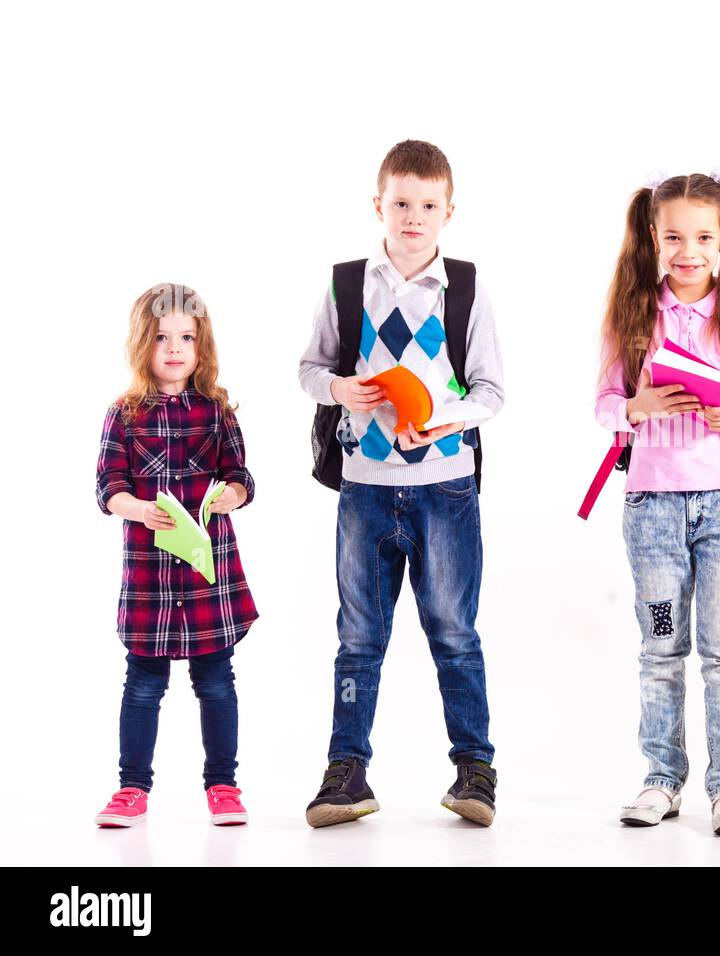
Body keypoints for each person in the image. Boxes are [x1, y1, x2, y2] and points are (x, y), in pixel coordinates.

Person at [298, 140, 505, 828]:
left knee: (453, 629)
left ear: (449, 210)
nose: (413, 217)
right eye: (400, 203)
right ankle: (345, 772)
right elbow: (310, 368)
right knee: (358, 635)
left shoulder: (465, 287)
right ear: (377, 205)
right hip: (364, 486)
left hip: (447, 486)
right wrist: (339, 389)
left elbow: (491, 391)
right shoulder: (348, 283)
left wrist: (445, 424)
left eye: (427, 205)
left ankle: (475, 769)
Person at [595, 172, 720, 836]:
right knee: (660, 649)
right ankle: (660, 779)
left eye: (703, 237)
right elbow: (603, 404)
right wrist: (636, 406)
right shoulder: (633, 314)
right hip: (652, 504)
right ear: (652, 237)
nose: (688, 251)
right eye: (673, 236)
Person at [94, 283, 258, 827]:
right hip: (151, 575)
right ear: (142, 343)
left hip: (209, 572)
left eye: (186, 337)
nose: (174, 348)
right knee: (143, 682)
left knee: (216, 681)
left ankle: (224, 785)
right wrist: (138, 510)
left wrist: (227, 496)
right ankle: (131, 789)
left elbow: (242, 479)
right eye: (162, 337)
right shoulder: (124, 414)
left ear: (201, 344)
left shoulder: (216, 412)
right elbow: (107, 488)